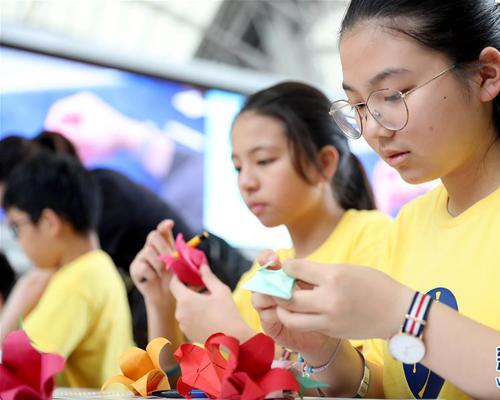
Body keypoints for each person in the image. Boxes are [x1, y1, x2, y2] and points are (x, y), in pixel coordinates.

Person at [251, 1, 500, 399]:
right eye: (360, 105)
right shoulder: (413, 222)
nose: (375, 130)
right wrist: (323, 350)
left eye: (395, 95)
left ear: (486, 75)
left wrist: (406, 316)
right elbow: (403, 387)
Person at [130, 82, 393, 375]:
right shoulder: (265, 268)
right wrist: (161, 301)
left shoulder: (374, 237)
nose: (247, 182)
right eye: (238, 167)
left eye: (264, 161)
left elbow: (367, 381)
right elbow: (183, 377)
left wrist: (236, 336)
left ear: (324, 163)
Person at [0, 132, 252, 347]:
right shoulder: (92, 259)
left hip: (213, 282)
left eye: (15, 222)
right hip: (173, 291)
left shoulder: (83, 264)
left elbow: (38, 282)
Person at [0, 152, 133, 388]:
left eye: (16, 228)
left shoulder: (76, 280)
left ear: (49, 222)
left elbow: (15, 376)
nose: (18, 241)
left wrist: (14, 309)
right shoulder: (100, 265)